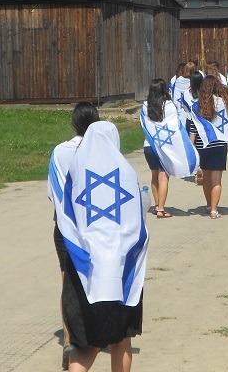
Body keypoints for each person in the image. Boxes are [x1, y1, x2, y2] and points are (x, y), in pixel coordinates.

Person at [51, 121, 148, 372]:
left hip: (86, 270)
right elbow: (137, 223)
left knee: (85, 345)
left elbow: (66, 217)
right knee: (122, 338)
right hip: (121, 269)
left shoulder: (76, 172)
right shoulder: (127, 173)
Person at [49, 102, 100, 368]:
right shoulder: (104, 152)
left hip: (65, 225)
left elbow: (52, 192)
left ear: (73, 123)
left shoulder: (59, 151)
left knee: (67, 280)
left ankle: (69, 336)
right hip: (95, 226)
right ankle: (96, 330)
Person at [190, 75, 228, 218]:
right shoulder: (225, 103)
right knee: (216, 179)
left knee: (206, 178)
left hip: (203, 144)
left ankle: (208, 204)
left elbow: (193, 128)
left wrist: (190, 147)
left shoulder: (198, 105)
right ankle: (214, 209)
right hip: (219, 144)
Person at [140, 79, 199, 218]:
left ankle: (156, 205)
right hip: (164, 147)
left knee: (154, 176)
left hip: (149, 146)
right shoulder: (170, 106)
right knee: (163, 177)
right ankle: (161, 208)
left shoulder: (145, 106)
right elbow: (174, 128)